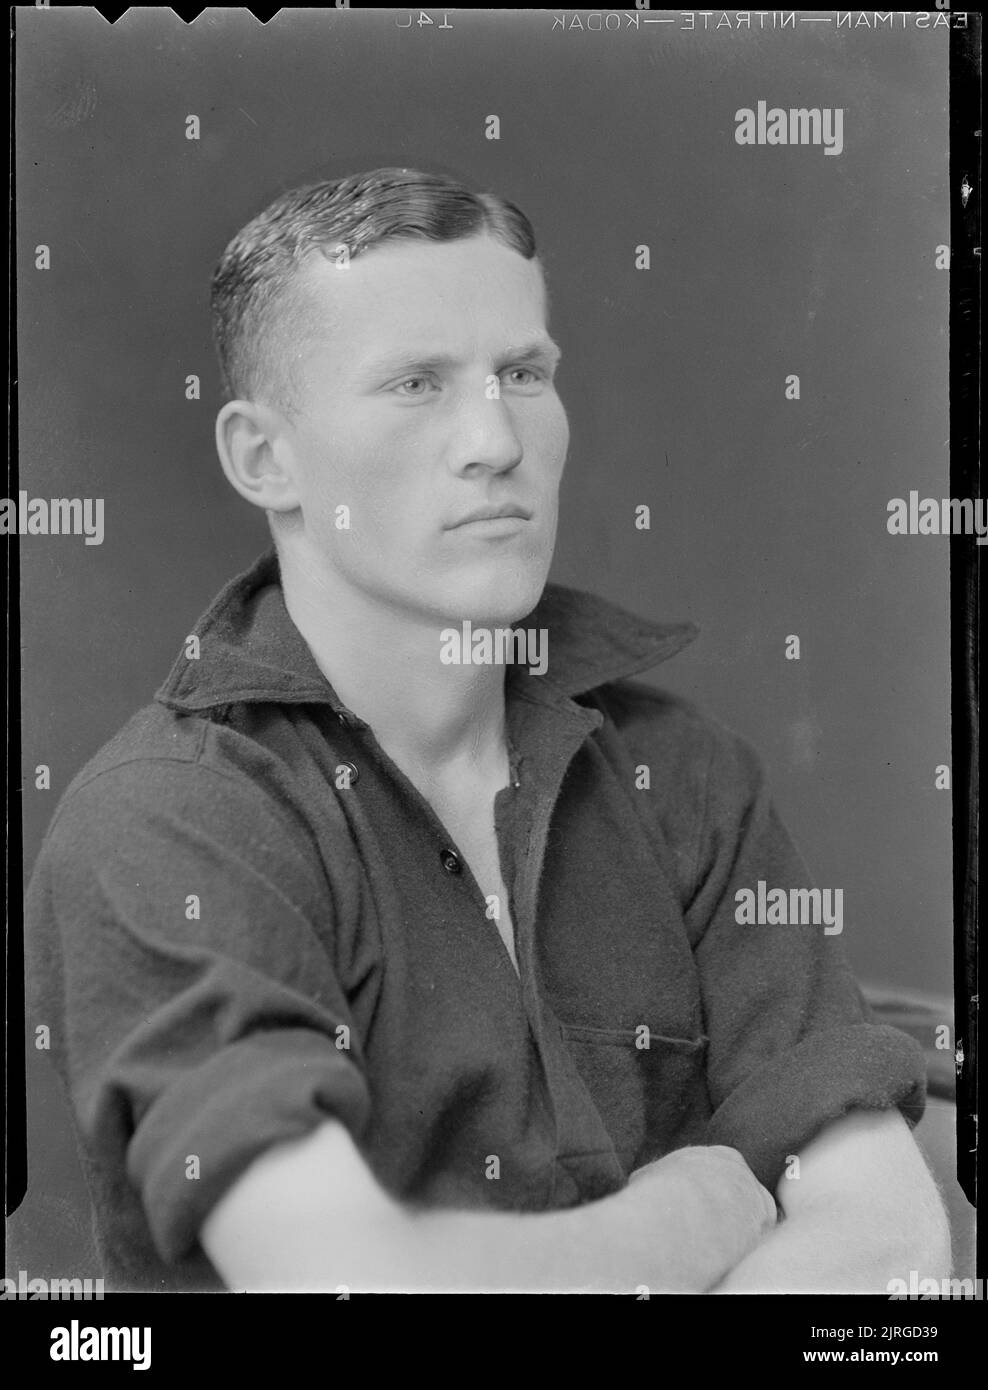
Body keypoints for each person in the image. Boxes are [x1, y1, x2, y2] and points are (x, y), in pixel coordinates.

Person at [26, 167, 950, 1293]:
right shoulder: (168, 821)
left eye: (523, 373)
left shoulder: (683, 770)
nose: (493, 440)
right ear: (265, 458)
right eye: (416, 383)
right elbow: (345, 1282)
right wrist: (685, 1214)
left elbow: (892, 1248)